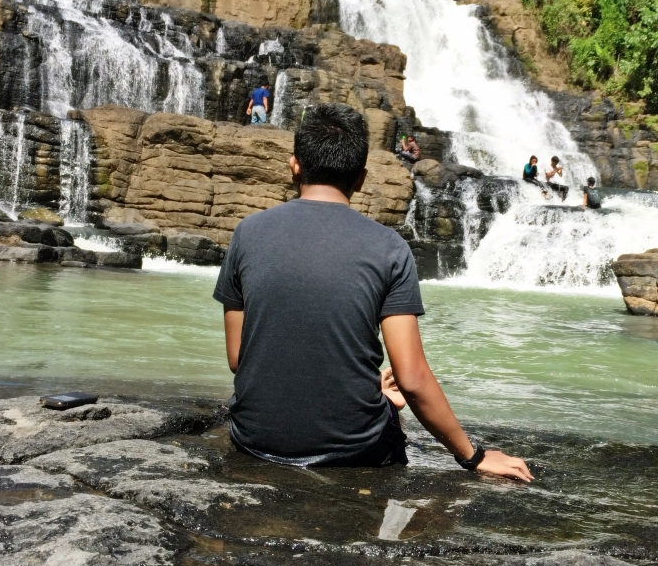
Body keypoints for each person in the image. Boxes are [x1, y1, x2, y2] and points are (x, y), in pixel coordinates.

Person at [213, 102, 532, 481]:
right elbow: (411, 378)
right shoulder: (389, 248)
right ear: (362, 178)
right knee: (391, 409)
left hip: (254, 440)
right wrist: (473, 456)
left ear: (294, 165)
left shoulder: (247, 234)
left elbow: (238, 357)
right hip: (356, 451)